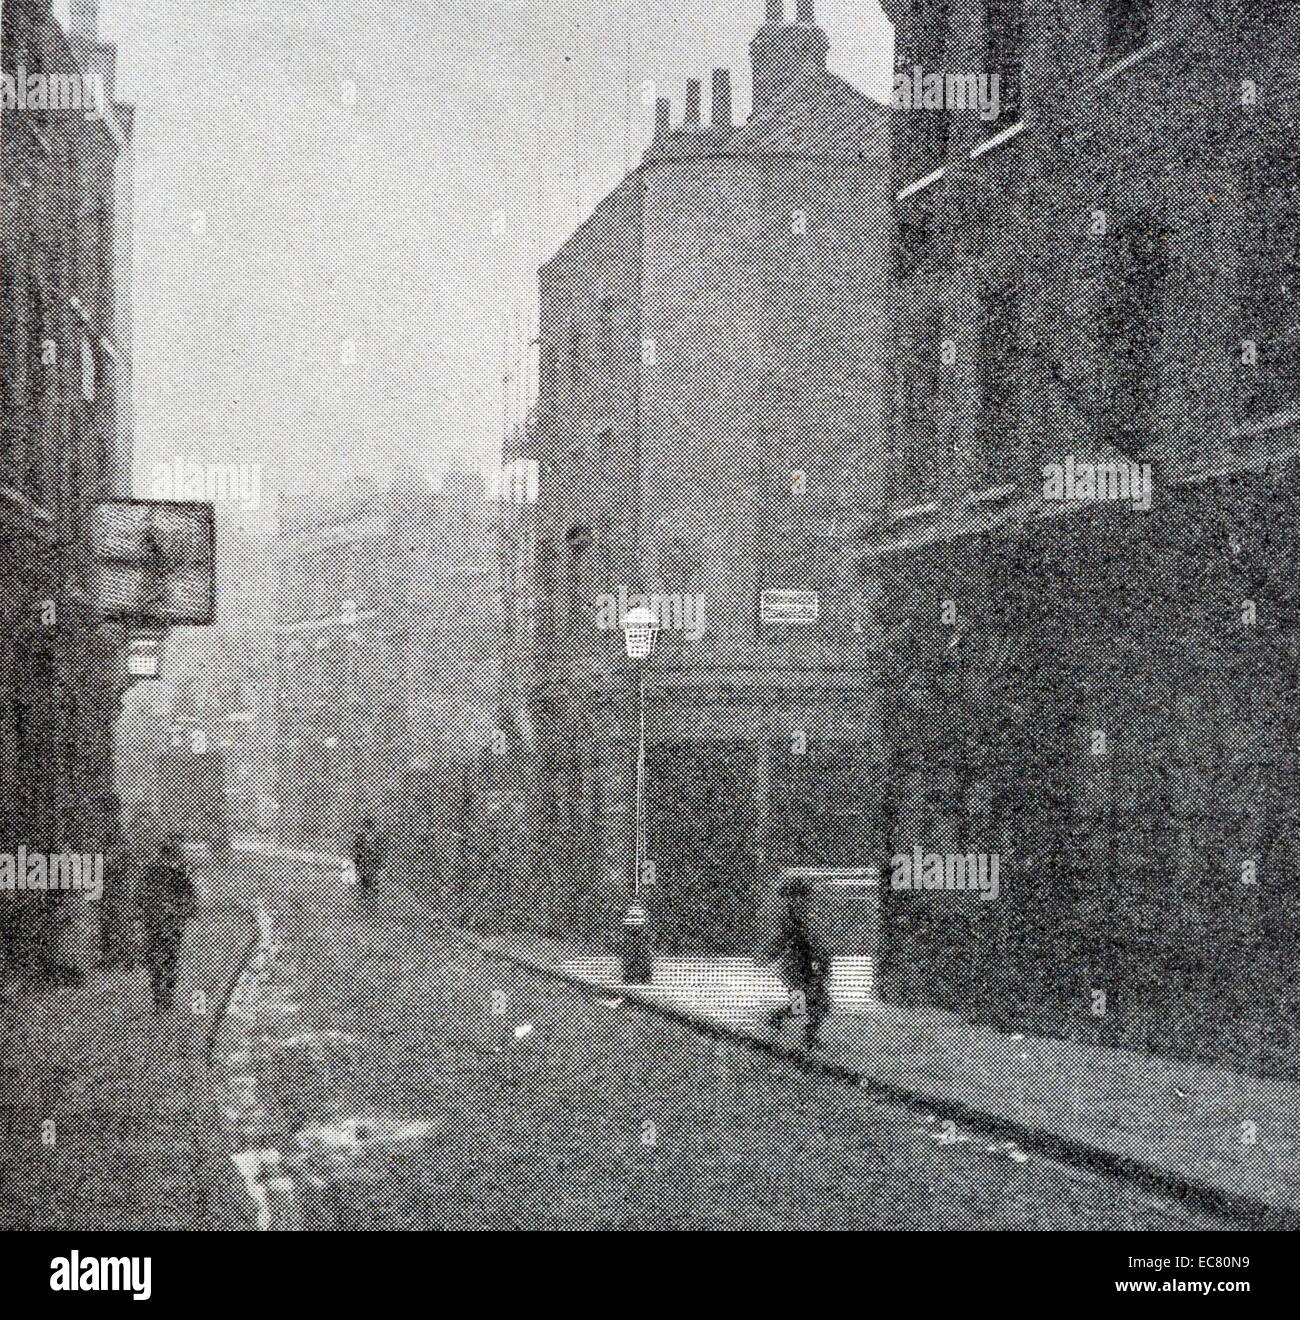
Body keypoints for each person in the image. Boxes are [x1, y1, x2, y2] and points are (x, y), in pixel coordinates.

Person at [762, 873, 831, 1048]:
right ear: (790, 898)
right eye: (797, 896)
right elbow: (783, 939)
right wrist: (769, 954)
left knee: (817, 1003)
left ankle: (782, 1021)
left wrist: (822, 962)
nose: (801, 901)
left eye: (804, 897)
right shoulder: (790, 919)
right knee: (810, 1002)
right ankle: (805, 1034)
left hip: (810, 964)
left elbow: (815, 942)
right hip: (796, 965)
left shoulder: (806, 917)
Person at [136, 832, 196, 1013]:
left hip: (154, 922)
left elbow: (139, 896)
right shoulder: (179, 873)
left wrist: (142, 913)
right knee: (169, 959)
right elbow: (190, 900)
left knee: (155, 959)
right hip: (171, 924)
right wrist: (184, 913)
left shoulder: (150, 871)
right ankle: (166, 997)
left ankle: (160, 997)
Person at [351, 816, 387, 896]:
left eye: (369, 826)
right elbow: (355, 848)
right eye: (366, 826)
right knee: (364, 876)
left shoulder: (377, 837)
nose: (367, 829)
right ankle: (366, 890)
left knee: (371, 875)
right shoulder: (360, 837)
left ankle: (371, 889)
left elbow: (381, 850)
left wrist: (380, 859)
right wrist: (357, 858)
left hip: (371, 861)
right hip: (363, 860)